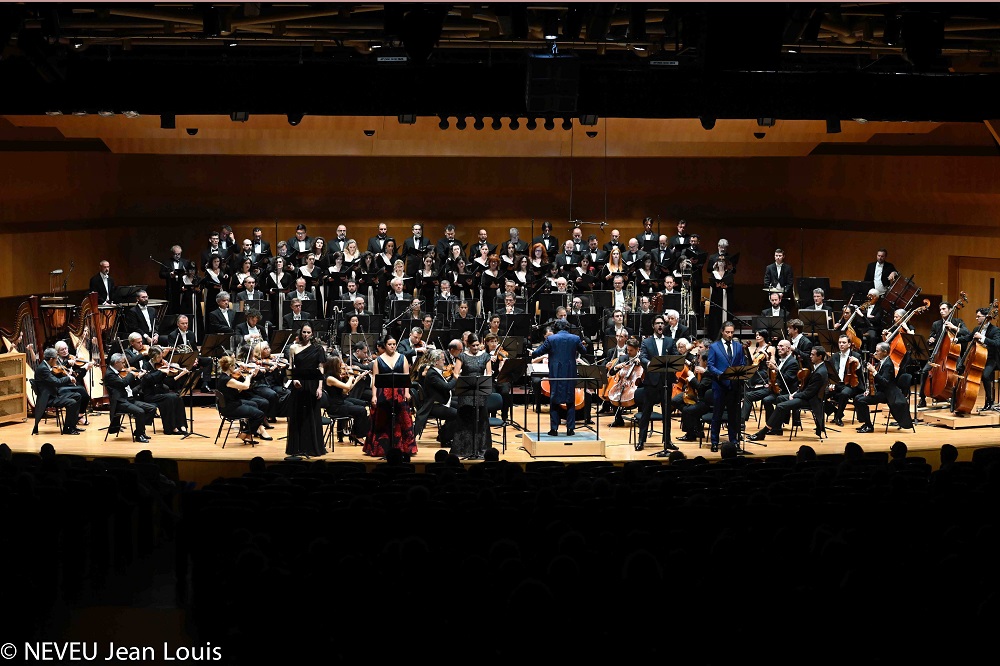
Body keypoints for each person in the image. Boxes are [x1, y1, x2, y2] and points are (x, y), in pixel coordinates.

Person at [751, 346, 829, 441]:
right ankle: (776, 428)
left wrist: (794, 395)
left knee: (781, 406)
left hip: (811, 401)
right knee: (779, 399)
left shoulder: (820, 372)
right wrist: (796, 392)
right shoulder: (818, 367)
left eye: (813, 354)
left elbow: (809, 393)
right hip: (806, 396)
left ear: (820, 356)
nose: (810, 356)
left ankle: (763, 432)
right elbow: (806, 388)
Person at [531, 319, 587, 437]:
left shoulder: (551, 339)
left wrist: (532, 353)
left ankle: (554, 429)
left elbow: (538, 352)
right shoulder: (575, 338)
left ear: (556, 328)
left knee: (554, 399)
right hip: (570, 373)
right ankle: (570, 429)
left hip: (556, 373)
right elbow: (584, 351)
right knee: (570, 401)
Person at [364, 335, 416, 458]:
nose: (392, 346)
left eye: (394, 344)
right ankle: (384, 447)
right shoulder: (378, 360)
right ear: (385, 345)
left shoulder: (402, 358)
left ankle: (402, 448)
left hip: (399, 394)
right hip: (383, 395)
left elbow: (406, 377)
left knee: (401, 420)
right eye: (390, 344)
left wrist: (407, 392)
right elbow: (375, 381)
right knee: (383, 421)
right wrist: (374, 396)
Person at [635, 316, 679, 451]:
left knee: (667, 413)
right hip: (651, 381)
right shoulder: (646, 342)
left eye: (662, 323)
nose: (660, 325)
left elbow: (676, 356)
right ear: (653, 326)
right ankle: (641, 440)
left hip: (666, 380)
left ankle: (667, 441)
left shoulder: (670, 341)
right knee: (646, 411)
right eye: (657, 323)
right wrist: (650, 363)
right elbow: (642, 357)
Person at [285, 325, 326, 458]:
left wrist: (320, 387)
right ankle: (298, 447)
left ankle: (312, 447)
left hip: (313, 384)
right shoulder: (293, 348)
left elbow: (320, 368)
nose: (306, 334)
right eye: (304, 332)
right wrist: (294, 380)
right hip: (298, 385)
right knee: (298, 415)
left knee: (312, 415)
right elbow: (291, 367)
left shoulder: (318, 349)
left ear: (312, 333)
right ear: (300, 333)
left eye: (309, 332)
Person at [853, 342, 913, 432]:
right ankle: (866, 422)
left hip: (887, 394)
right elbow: (876, 382)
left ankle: (869, 426)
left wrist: (874, 371)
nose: (875, 353)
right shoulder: (881, 362)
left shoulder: (888, 364)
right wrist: (869, 390)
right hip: (881, 390)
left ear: (884, 352)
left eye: (877, 351)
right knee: (857, 398)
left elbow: (884, 382)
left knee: (861, 401)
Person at [707, 321, 747, 452]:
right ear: (722, 332)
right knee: (717, 415)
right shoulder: (714, 346)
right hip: (720, 385)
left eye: (732, 332)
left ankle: (733, 441)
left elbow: (741, 363)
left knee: (733, 416)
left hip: (734, 386)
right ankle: (714, 441)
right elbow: (711, 365)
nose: (730, 335)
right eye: (727, 332)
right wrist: (721, 374)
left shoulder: (738, 346)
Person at [104, 352, 157, 442]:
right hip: (120, 402)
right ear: (116, 363)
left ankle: (139, 430)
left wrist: (138, 377)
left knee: (152, 408)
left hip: (129, 399)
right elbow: (123, 383)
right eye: (122, 362)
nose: (124, 364)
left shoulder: (117, 372)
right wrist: (131, 374)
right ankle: (139, 435)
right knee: (140, 412)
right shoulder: (109, 374)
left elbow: (128, 384)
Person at [32, 348, 84, 436]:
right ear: (51, 359)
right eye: (56, 359)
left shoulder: (47, 366)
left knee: (78, 395)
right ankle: (67, 428)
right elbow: (56, 382)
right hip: (48, 398)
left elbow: (54, 379)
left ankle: (72, 425)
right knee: (71, 402)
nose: (57, 361)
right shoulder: (43, 369)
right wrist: (69, 378)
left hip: (53, 393)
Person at [216, 355, 267, 445]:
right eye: (234, 366)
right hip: (231, 408)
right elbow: (246, 386)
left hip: (230, 404)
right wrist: (248, 376)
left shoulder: (222, 377)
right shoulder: (227, 380)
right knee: (260, 414)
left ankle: (248, 434)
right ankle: (245, 433)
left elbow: (238, 390)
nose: (235, 368)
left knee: (254, 404)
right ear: (230, 366)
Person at [140, 346, 189, 435]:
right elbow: (147, 379)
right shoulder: (145, 365)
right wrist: (160, 371)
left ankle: (181, 425)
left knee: (178, 397)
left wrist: (179, 374)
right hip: (150, 395)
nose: (161, 359)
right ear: (153, 357)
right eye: (159, 357)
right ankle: (172, 428)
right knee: (169, 398)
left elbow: (167, 382)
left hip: (160, 392)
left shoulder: (161, 365)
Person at [323, 355, 370, 446]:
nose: (341, 367)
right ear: (334, 366)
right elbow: (347, 387)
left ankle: (354, 432)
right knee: (361, 410)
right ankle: (358, 435)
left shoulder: (334, 376)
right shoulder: (330, 378)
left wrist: (357, 378)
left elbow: (345, 391)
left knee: (362, 404)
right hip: (335, 407)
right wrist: (351, 376)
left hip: (340, 402)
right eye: (339, 365)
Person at [828, 334, 865, 427]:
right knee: (820, 394)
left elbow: (861, 375)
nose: (841, 344)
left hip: (851, 384)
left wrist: (858, 364)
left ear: (849, 344)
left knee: (844, 394)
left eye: (844, 342)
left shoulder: (856, 355)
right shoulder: (834, 356)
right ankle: (836, 411)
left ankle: (838, 417)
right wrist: (831, 383)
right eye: (840, 342)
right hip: (837, 383)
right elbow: (830, 372)